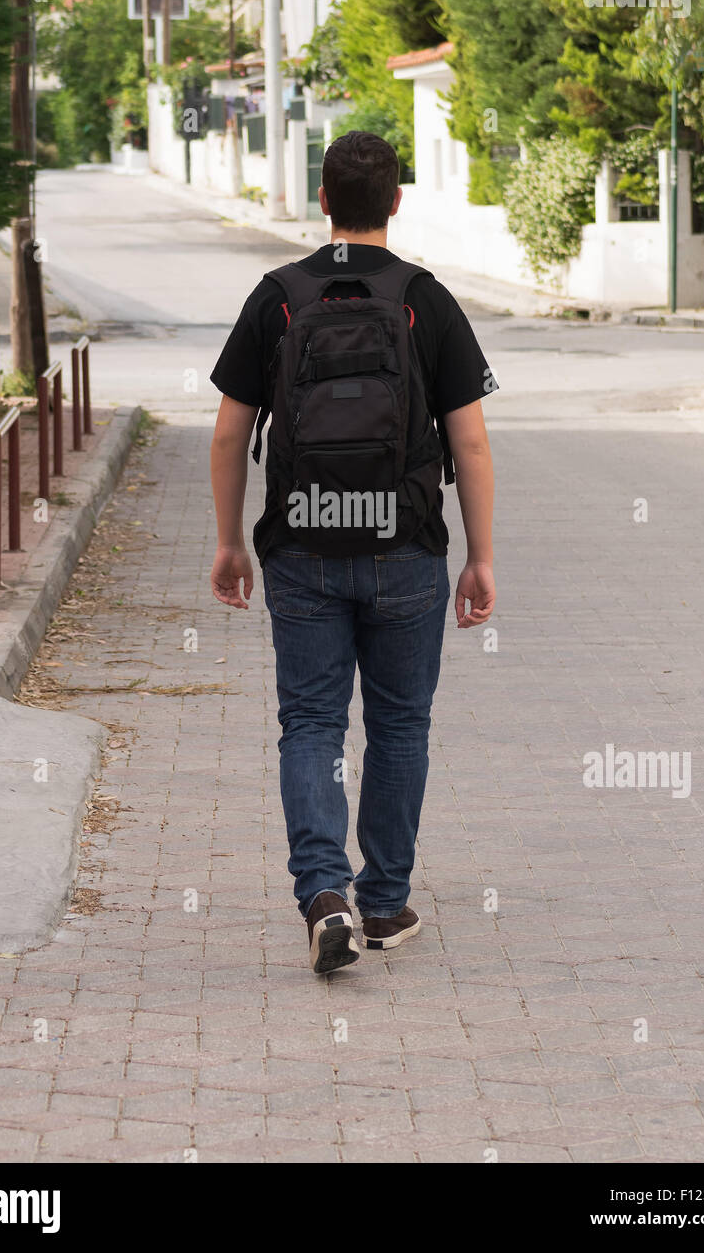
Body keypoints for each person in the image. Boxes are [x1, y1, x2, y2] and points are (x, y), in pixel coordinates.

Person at [209, 130, 497, 974]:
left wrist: (231, 542)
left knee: (311, 722)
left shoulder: (280, 296)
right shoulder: (425, 298)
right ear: (397, 200)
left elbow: (230, 432)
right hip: (406, 547)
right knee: (401, 725)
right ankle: (381, 903)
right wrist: (480, 556)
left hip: (300, 546)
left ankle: (323, 893)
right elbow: (469, 444)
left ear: (322, 200)